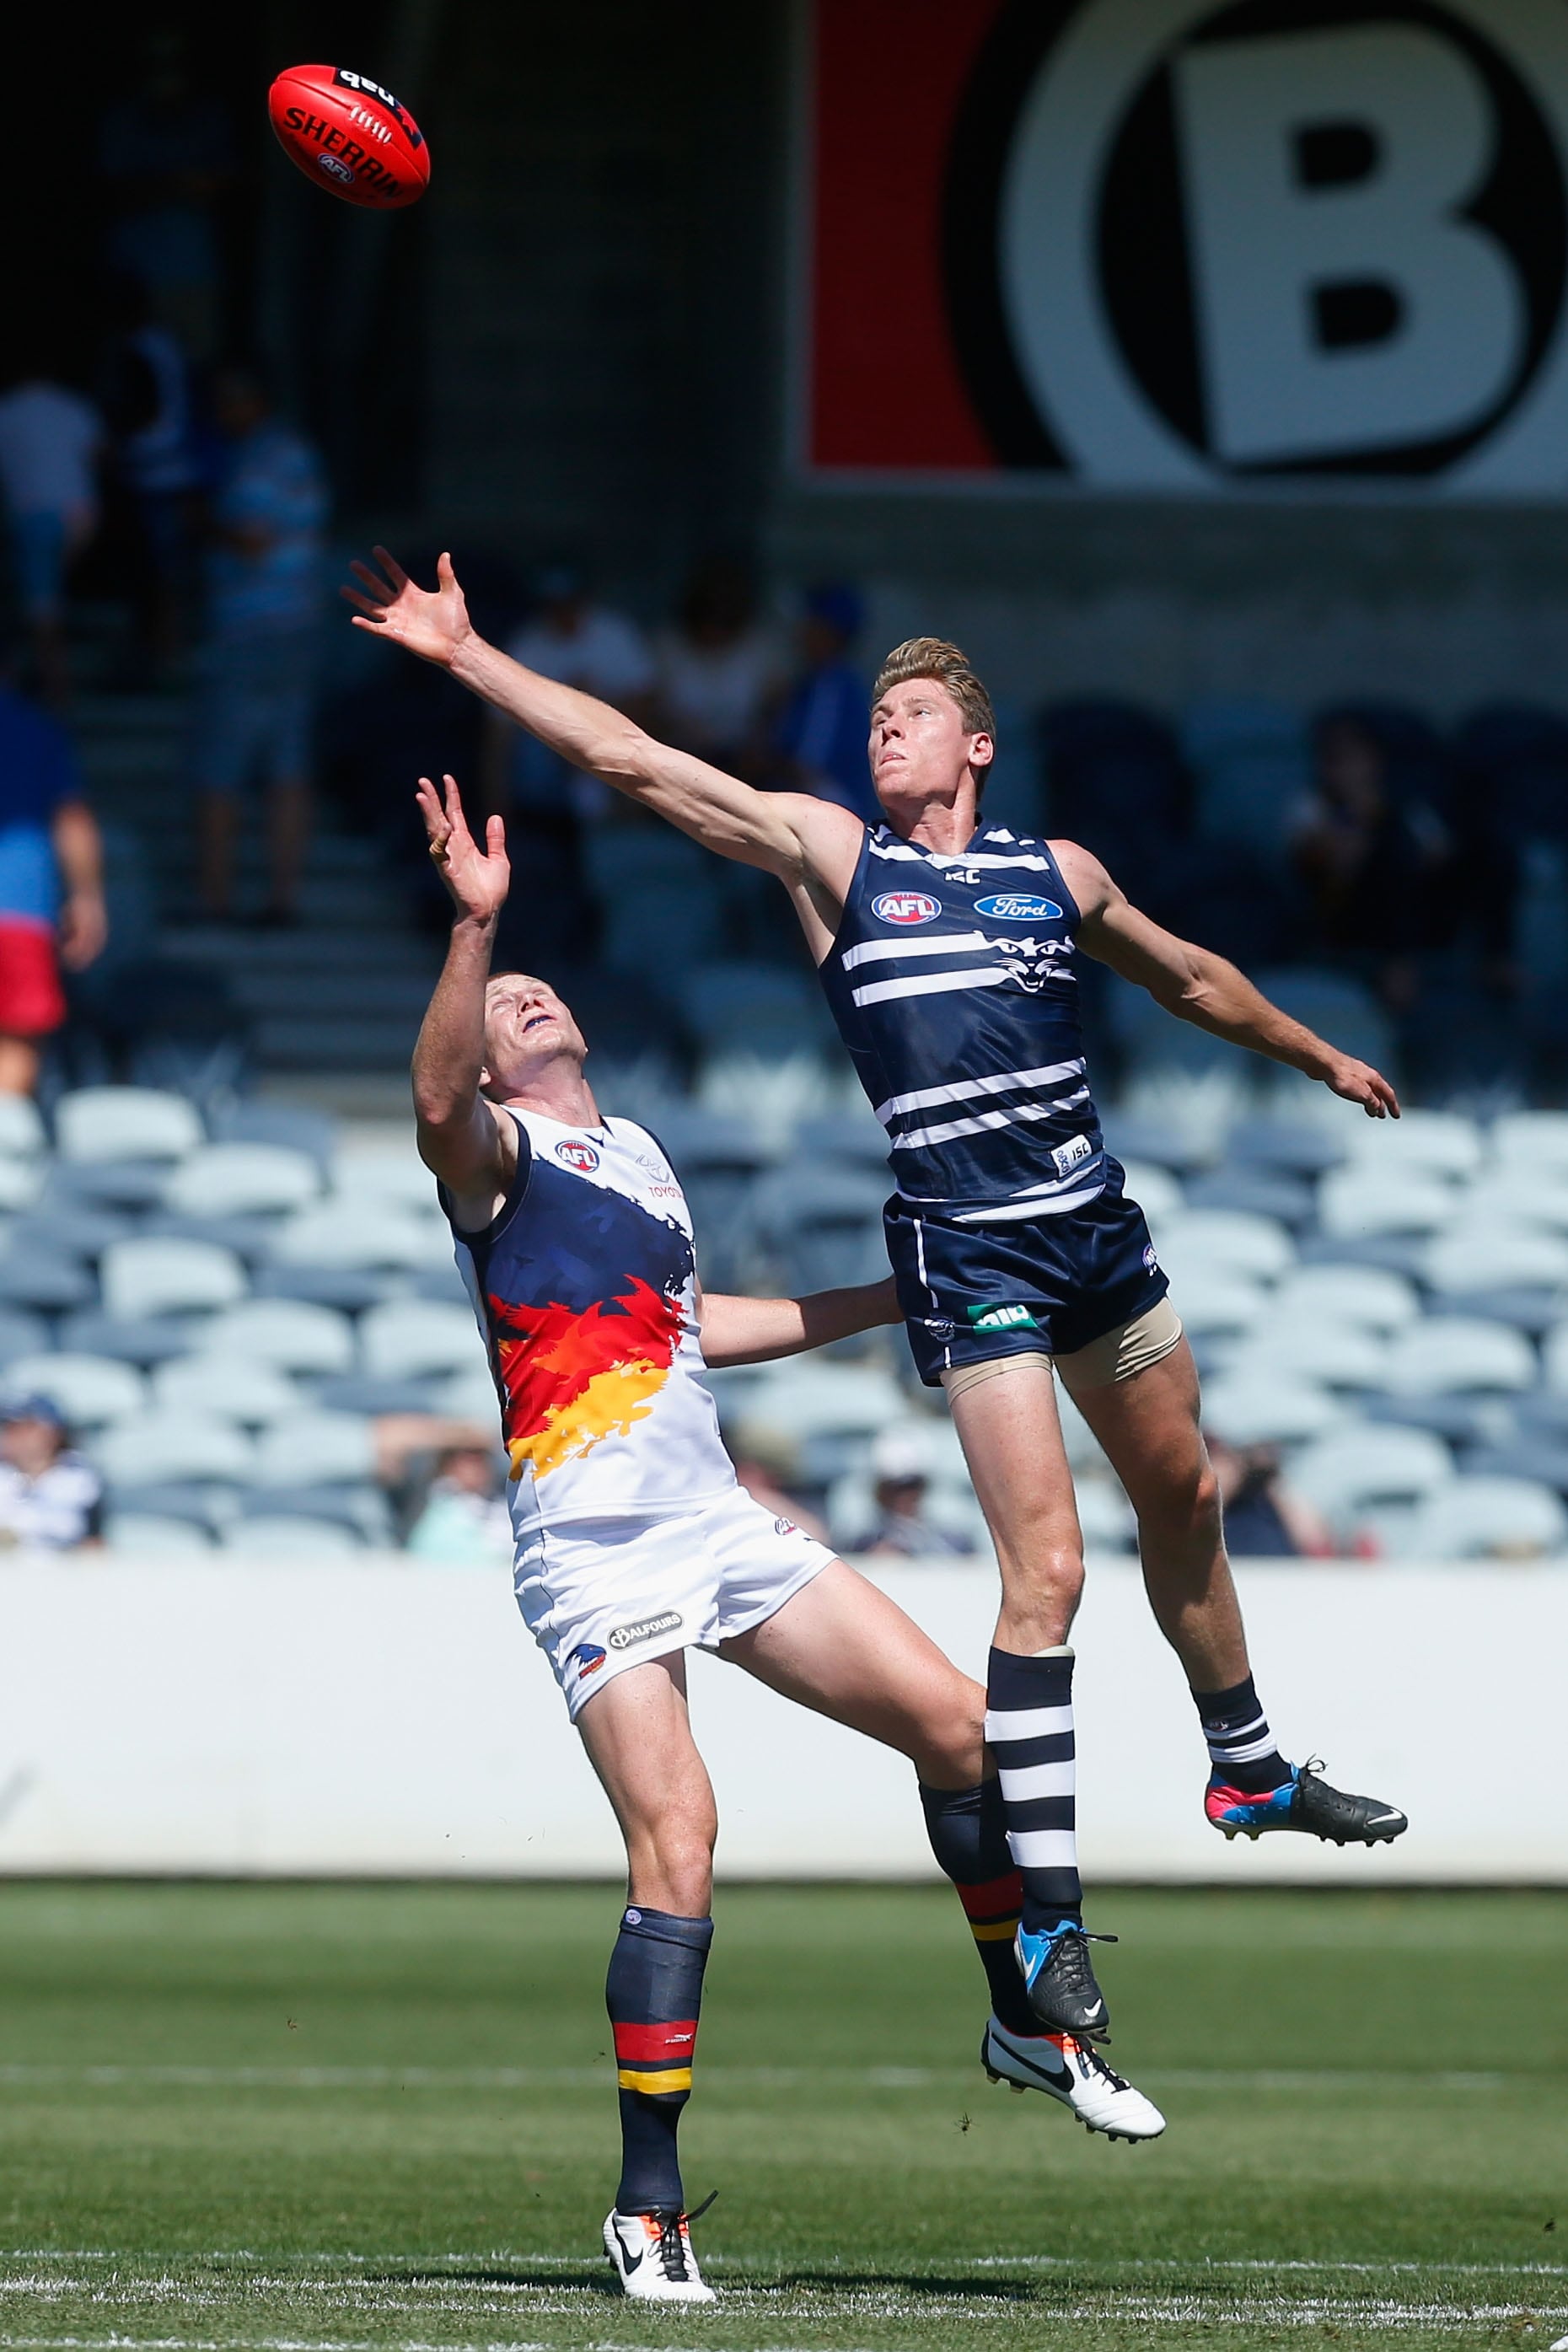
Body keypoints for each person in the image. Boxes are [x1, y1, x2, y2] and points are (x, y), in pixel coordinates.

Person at [346, 550, 1411, 2052]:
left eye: (915, 714)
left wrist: (1311, 1053)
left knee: (1185, 1493)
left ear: (977, 745)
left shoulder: (1061, 873)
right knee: (1048, 1573)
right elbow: (638, 759)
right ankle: (1045, 1921)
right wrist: (471, 660)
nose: (884, 731)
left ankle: (1243, 1760)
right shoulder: (837, 859)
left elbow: (1188, 978)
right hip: (974, 1257)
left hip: (1096, 1230)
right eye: (880, 715)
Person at [407, 771, 1165, 2303]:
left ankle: (1024, 2012)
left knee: (962, 1730)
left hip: (715, 1520)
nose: (533, 996)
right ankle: (649, 2207)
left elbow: (695, 1332)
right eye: (511, 994)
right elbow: (431, 1106)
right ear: (490, 1054)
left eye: (541, 980)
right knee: (680, 1844)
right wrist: (472, 932)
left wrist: (885, 1298)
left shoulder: (640, 1156)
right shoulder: (494, 1159)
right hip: (597, 1546)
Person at [191, 366, 329, 924]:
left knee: (221, 770)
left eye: (227, 402)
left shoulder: (261, 458)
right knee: (287, 770)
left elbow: (251, 538)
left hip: (254, 633)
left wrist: (199, 522)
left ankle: (218, 901)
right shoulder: (295, 454)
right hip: (297, 629)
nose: (220, 415)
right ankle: (282, 899)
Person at [0, 668, 109, 1094]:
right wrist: (87, 897)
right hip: (19, 912)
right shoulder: (37, 729)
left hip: (20, 908)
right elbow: (72, 820)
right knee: (15, 1044)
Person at [0, 363, 104, 706]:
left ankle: (56, 687)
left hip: (36, 514)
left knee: (43, 605)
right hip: (79, 515)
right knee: (44, 596)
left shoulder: (10, 411)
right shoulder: (73, 407)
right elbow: (97, 453)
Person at [771, 584, 880, 825]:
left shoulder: (832, 687)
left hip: (839, 818)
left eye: (810, 623)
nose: (801, 631)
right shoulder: (811, 681)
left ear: (829, 633)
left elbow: (805, 769)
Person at [851, 1426, 977, 1560]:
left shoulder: (954, 1541)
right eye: (896, 1489)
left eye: (913, 1486)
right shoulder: (863, 1543)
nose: (905, 1496)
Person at [0, 1394, 103, 1552]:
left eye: (28, 1428)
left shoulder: (79, 1481)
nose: (16, 1436)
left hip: (63, 1570)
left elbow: (93, 1543)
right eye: (11, 1428)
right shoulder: (4, 1476)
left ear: (53, 1433)